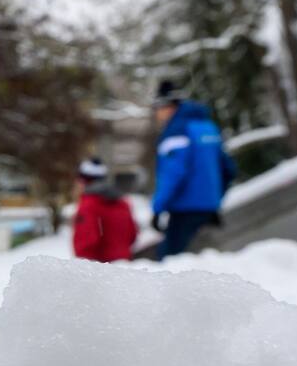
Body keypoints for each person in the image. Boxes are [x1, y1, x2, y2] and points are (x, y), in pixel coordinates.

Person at [149, 80, 235, 259]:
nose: (157, 114)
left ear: (168, 106)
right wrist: (213, 199)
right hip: (210, 210)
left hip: (184, 210)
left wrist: (158, 208)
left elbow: (174, 174)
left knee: (169, 263)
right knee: (208, 262)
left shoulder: (176, 131)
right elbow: (228, 169)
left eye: (157, 108)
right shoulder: (209, 127)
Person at [71, 158, 138, 263]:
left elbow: (85, 243)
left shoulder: (88, 205)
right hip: (124, 265)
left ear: (83, 181)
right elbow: (132, 234)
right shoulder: (122, 202)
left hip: (99, 269)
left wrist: (81, 268)